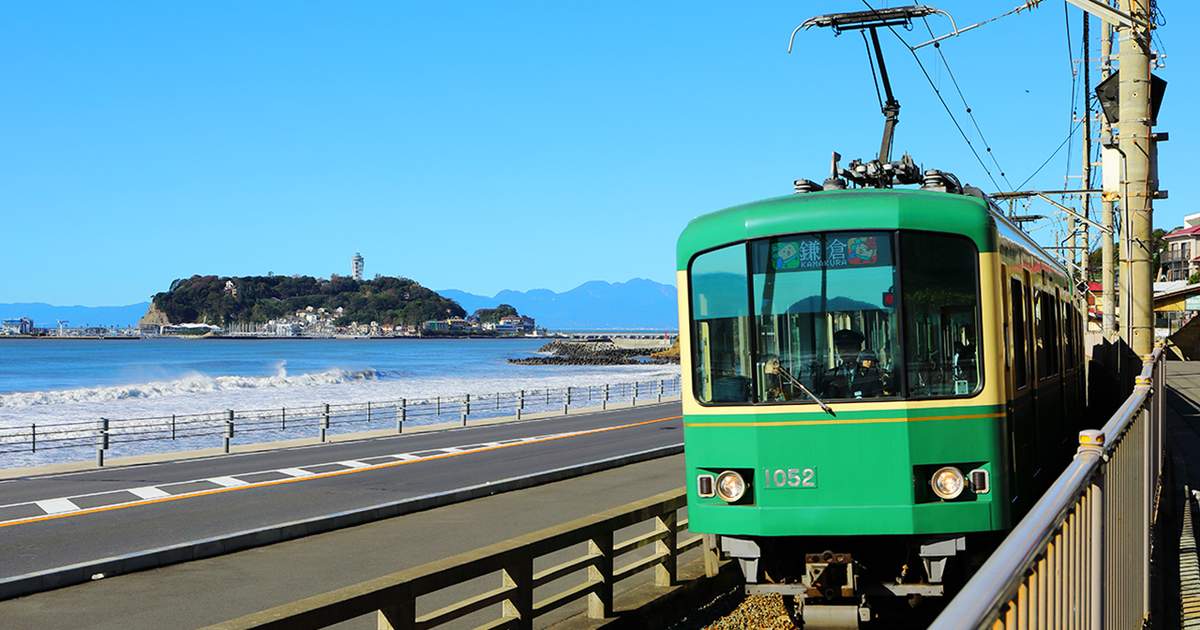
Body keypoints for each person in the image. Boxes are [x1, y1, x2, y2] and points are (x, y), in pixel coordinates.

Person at [820, 328, 886, 398]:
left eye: (850, 348)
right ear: (838, 351)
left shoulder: (870, 374)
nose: (846, 352)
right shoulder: (830, 376)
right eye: (842, 348)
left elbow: (878, 399)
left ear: (858, 349)